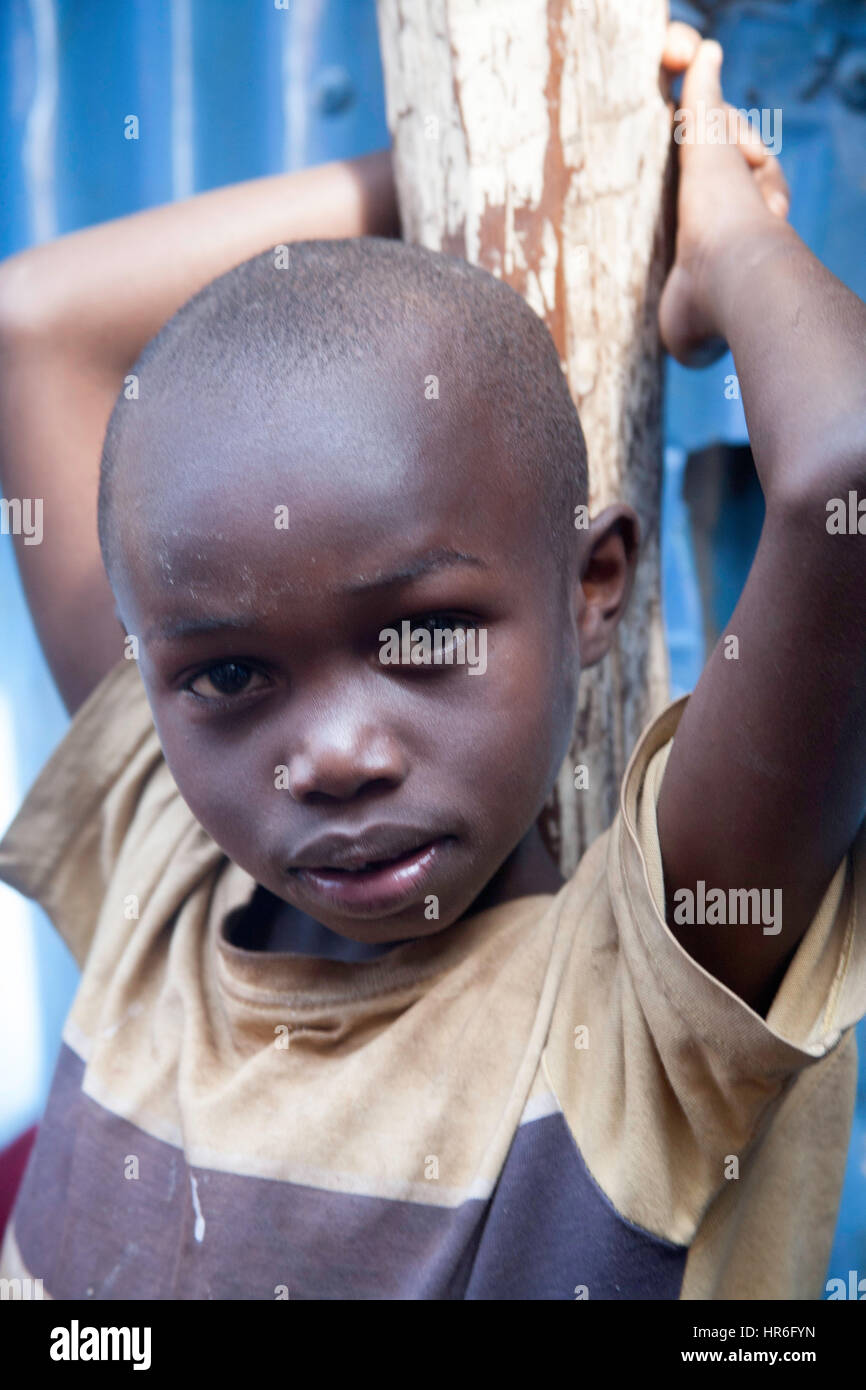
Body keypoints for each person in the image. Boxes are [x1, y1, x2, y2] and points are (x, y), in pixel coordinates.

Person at [0, 23, 864, 1300]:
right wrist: (470, 164)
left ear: (592, 587)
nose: (335, 756)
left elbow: (843, 478)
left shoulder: (637, 1009)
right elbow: (30, 324)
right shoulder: (158, 860)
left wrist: (717, 237)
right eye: (232, 676)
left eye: (425, 636)